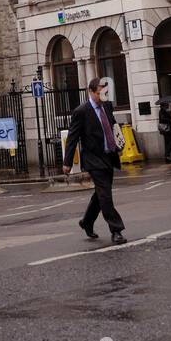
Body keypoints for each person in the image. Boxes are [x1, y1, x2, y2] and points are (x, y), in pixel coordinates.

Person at [62, 77, 126, 245]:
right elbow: (72, 138)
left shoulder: (107, 105)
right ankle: (116, 230)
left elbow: (112, 126)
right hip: (93, 159)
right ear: (90, 92)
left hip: (108, 155)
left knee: (100, 194)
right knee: (105, 195)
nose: (102, 96)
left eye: (104, 93)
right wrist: (67, 162)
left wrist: (118, 144)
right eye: (99, 94)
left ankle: (87, 222)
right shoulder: (81, 111)